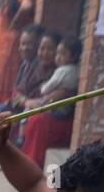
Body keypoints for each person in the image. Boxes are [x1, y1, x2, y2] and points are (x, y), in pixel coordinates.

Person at [18, 35, 81, 165]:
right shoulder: (32, 67)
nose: (45, 53)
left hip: (61, 115)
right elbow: (16, 92)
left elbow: (60, 93)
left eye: (50, 49)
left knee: (36, 119)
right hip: (33, 107)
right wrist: (25, 101)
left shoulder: (61, 71)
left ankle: (31, 164)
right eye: (42, 48)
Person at [0, 23, 45, 123]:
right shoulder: (25, 64)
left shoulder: (40, 67)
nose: (25, 48)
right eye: (22, 44)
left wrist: (20, 100)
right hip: (16, 105)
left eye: (30, 44)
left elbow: (30, 97)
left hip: (25, 111)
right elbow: (16, 93)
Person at [0, 0, 35, 105]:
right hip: (1, 59)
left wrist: (15, 22)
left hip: (10, 54)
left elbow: (27, 5)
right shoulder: (7, 0)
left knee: (7, 93)